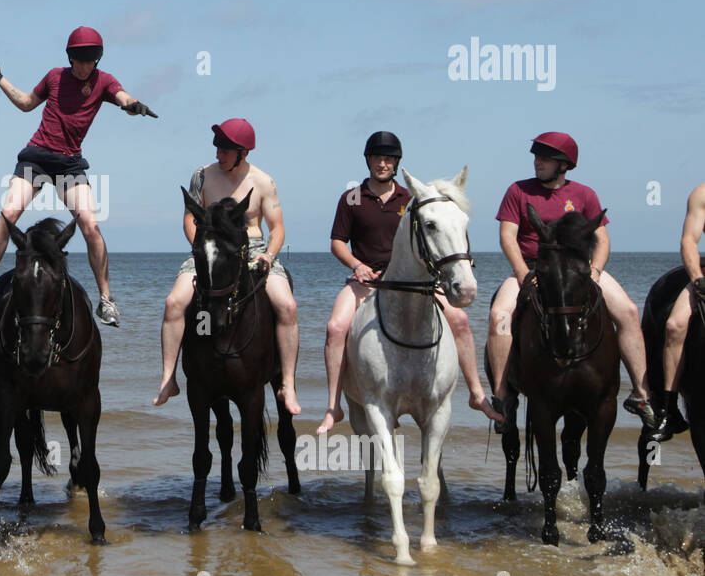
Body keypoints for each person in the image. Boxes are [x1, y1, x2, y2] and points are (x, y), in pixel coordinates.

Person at [317, 132, 502, 433]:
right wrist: (357, 265)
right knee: (335, 328)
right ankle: (333, 407)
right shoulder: (351, 198)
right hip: (368, 280)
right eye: (377, 157)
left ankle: (477, 394)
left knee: (460, 320)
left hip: (411, 283)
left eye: (389, 159)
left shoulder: (411, 199)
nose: (383, 163)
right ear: (368, 160)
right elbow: (338, 242)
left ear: (396, 163)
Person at [0, 26, 155, 326]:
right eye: (79, 60)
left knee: (91, 226)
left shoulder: (104, 81)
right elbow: (27, 103)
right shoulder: (55, 76)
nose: (84, 66)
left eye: (90, 60)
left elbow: (123, 98)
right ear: (70, 58)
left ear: (98, 59)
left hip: (70, 164)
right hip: (36, 157)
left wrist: (133, 106)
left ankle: (106, 300)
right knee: (8, 212)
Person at [486, 132, 651, 424]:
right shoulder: (518, 191)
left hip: (578, 270)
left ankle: (640, 393)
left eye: (545, 158)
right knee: (499, 314)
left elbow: (602, 240)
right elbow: (507, 238)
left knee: (628, 311)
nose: (538, 162)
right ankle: (502, 397)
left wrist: (595, 273)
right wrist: (524, 275)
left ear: (564, 164)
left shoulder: (584, 195)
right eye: (537, 157)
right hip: (532, 268)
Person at [151, 119, 300, 414]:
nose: (219, 154)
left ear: (243, 153)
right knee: (174, 302)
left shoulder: (263, 182)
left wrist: (269, 254)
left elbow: (278, 228)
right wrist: (202, 252)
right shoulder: (201, 176)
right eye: (218, 148)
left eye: (226, 150)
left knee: (287, 306)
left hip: (254, 250)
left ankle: (288, 384)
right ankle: (168, 379)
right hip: (208, 251)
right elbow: (189, 218)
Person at [651, 183, 705, 440]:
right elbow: (689, 240)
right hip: (704, 275)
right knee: (675, 325)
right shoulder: (701, 194)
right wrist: (697, 279)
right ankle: (669, 409)